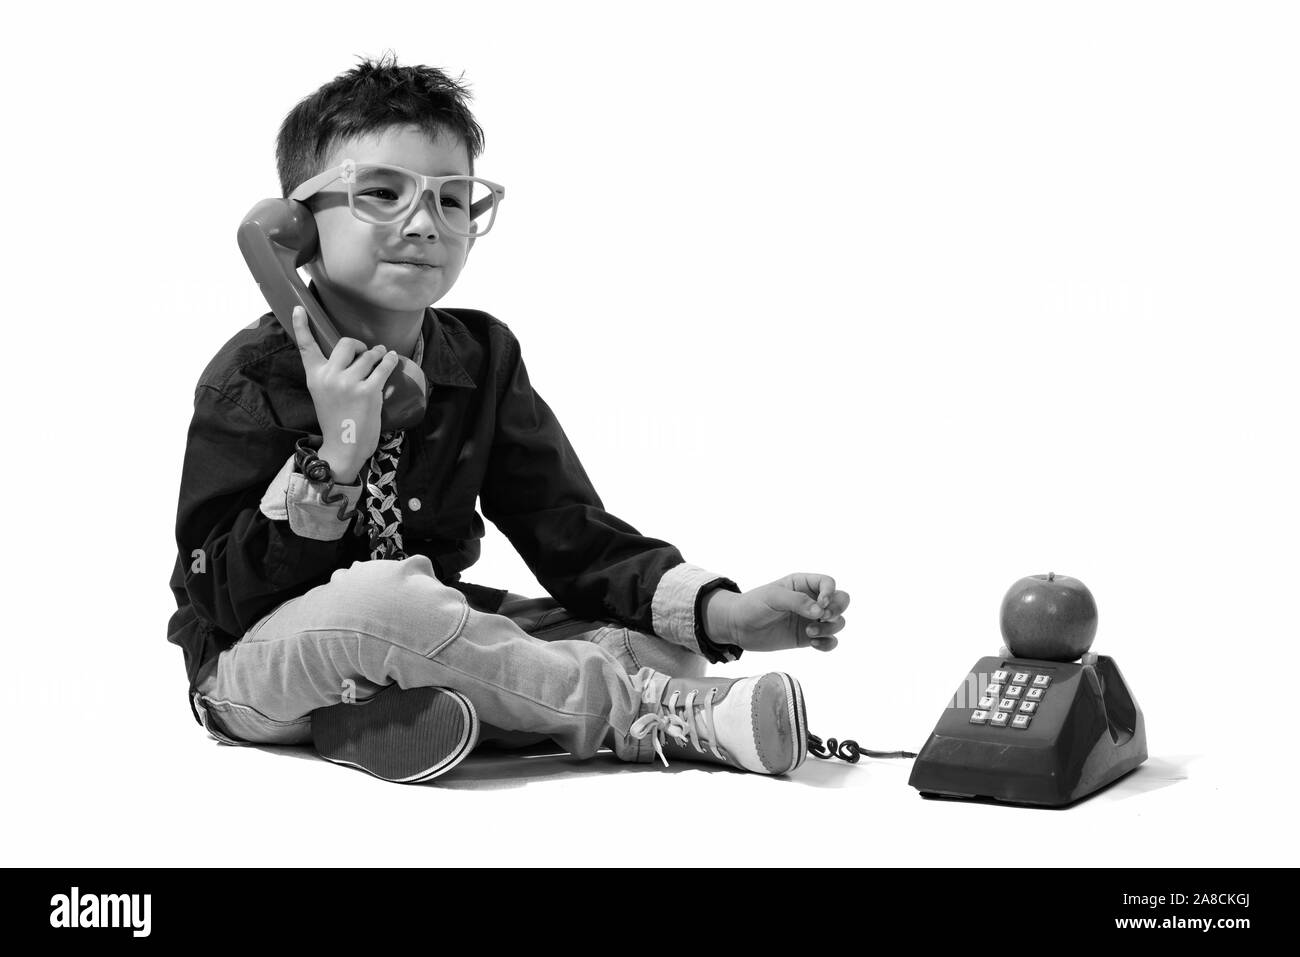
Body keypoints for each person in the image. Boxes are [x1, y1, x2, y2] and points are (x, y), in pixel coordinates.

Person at [167, 53, 849, 784]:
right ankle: (656, 715)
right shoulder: (249, 377)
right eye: (381, 194)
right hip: (256, 665)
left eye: (451, 199)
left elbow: (570, 533)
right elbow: (217, 596)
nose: (424, 224)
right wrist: (336, 455)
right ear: (294, 231)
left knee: (651, 640)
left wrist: (724, 612)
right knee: (384, 598)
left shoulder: (482, 357)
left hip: (425, 623)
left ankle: (388, 717)